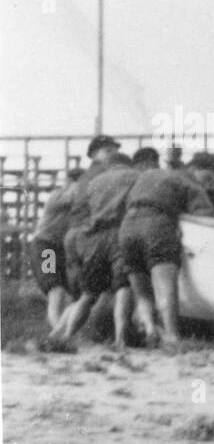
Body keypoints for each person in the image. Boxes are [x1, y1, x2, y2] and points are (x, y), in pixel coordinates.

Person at [119, 153, 214, 349]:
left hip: (127, 226)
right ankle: (172, 336)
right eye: (209, 176)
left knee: (141, 291)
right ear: (195, 169)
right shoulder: (191, 183)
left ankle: (150, 330)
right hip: (156, 225)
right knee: (165, 286)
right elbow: (207, 217)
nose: (209, 182)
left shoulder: (148, 175)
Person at [47, 149, 140, 350]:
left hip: (91, 237)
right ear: (127, 164)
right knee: (123, 287)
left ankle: (66, 335)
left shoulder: (94, 182)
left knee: (88, 294)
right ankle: (120, 339)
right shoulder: (136, 176)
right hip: (118, 233)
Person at [29, 167, 84, 329]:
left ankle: (63, 329)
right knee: (56, 290)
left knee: (73, 292)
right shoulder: (57, 195)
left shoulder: (75, 200)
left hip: (61, 249)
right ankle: (57, 331)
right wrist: (78, 185)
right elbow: (71, 197)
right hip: (45, 247)